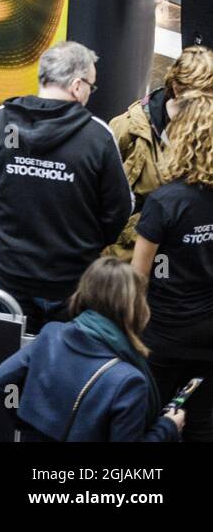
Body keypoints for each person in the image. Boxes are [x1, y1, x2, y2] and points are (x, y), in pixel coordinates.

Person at [0, 41, 133, 332]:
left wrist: (10, 228)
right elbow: (120, 210)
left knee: (12, 359)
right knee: (65, 364)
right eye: (91, 86)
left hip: (11, 275)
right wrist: (87, 244)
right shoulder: (97, 136)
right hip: (72, 280)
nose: (89, 93)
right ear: (76, 86)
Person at [0, 257, 183, 442]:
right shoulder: (130, 381)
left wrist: (24, 419)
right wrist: (167, 428)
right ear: (136, 307)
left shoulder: (51, 334)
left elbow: (2, 380)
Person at [132, 91, 213, 442]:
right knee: (202, 421)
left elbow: (137, 276)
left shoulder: (164, 203)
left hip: (162, 336)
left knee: (148, 419)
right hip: (208, 336)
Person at [107, 44, 213, 259]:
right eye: (198, 100)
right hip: (132, 257)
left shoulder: (208, 131)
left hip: (187, 267)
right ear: (176, 88)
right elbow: (101, 199)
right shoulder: (128, 128)